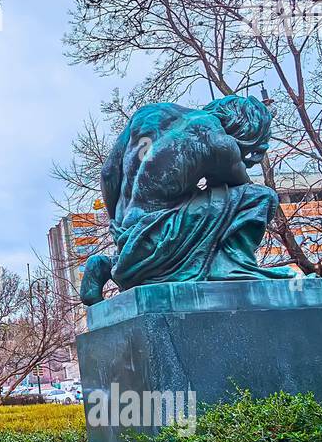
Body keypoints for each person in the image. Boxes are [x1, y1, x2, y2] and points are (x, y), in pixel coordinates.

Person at [80, 95, 293, 305]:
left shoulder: (149, 115)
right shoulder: (220, 143)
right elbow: (242, 188)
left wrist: (120, 229)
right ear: (249, 133)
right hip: (159, 237)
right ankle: (235, 267)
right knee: (262, 197)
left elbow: (108, 173)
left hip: (127, 234)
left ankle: (111, 264)